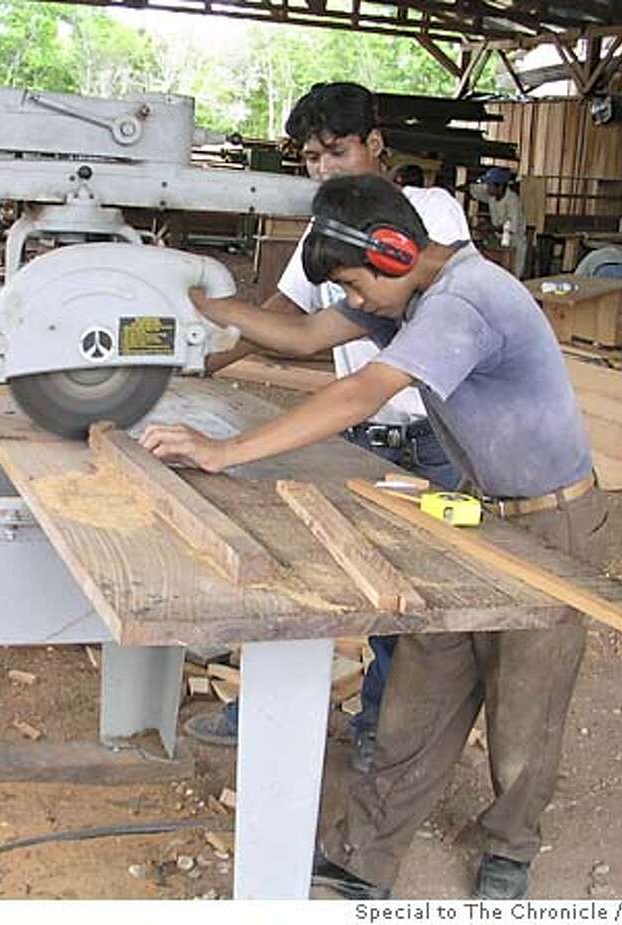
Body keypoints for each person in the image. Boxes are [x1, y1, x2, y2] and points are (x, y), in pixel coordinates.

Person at [142, 173, 606, 901]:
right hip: (477, 509)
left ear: (394, 252)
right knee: (422, 689)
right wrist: (194, 300)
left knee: (525, 700)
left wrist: (224, 452)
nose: (355, 304)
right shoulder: (409, 294)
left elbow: (362, 390)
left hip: (552, 520)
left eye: (357, 286)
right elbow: (298, 335)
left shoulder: (465, 300)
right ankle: (367, 851)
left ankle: (510, 846)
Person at [185, 82, 469, 762]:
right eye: (310, 157)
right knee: (309, 578)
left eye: (336, 151)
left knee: (408, 602)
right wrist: (200, 360)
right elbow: (287, 318)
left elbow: (355, 352)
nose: (322, 169)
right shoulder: (326, 227)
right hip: (358, 437)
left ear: (375, 142)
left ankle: (379, 734)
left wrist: (227, 444)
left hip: (425, 438)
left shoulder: (428, 212)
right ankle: (270, 709)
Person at [477, 166, 527, 278]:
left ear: (499, 186)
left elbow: (510, 227)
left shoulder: (513, 201)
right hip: (499, 241)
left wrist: (490, 228)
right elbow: (474, 190)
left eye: (489, 186)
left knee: (512, 279)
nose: (487, 188)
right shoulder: (492, 197)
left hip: (514, 244)